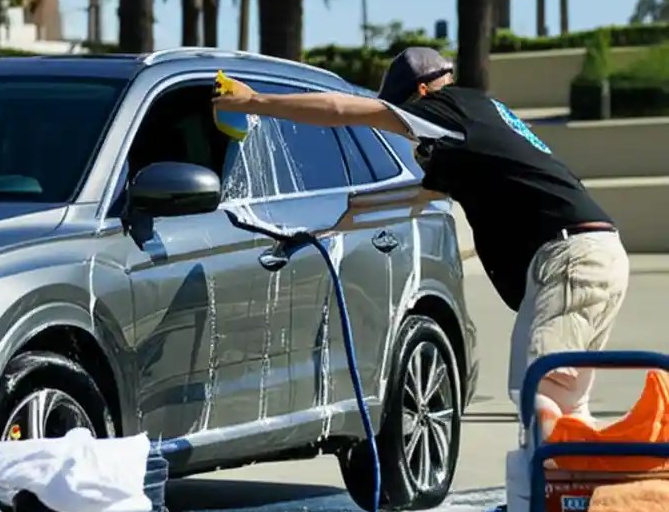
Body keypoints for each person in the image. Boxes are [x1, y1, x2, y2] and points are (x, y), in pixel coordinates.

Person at [212, 46, 629, 424]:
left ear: (422, 94)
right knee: (568, 401)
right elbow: (416, 195)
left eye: (401, 121)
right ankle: (577, 498)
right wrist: (332, 221)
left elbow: (342, 109)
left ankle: (545, 503)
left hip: (569, 258)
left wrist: (255, 102)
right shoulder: (480, 117)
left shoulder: (442, 111)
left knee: (540, 394)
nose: (406, 138)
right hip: (598, 253)